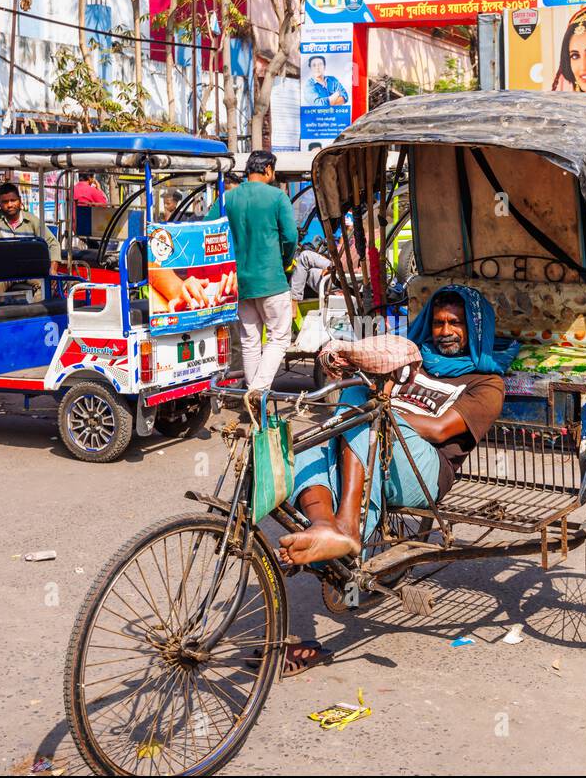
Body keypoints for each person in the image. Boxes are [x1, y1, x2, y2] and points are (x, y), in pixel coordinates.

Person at [278, 286, 515, 566]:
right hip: (378, 444)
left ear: (474, 329)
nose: (445, 330)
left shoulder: (487, 383)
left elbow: (440, 429)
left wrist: (384, 413)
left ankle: (349, 526)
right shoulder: (413, 358)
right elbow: (382, 391)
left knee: (368, 411)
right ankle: (325, 528)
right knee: (304, 457)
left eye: (455, 323)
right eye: (439, 323)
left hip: (425, 470)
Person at [210, 150, 297, 390]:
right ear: (268, 169)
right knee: (280, 338)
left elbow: (207, 228)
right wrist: (285, 261)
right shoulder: (277, 197)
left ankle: (256, 404)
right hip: (271, 280)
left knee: (250, 342)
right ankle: (257, 393)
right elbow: (290, 237)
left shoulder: (228, 199)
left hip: (240, 283)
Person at [0, 182, 61, 271]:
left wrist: (53, 269)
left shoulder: (32, 220)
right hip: (4, 271)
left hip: (29, 270)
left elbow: (53, 244)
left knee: (46, 283)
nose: (9, 205)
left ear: (20, 201)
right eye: (5, 202)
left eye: (13, 200)